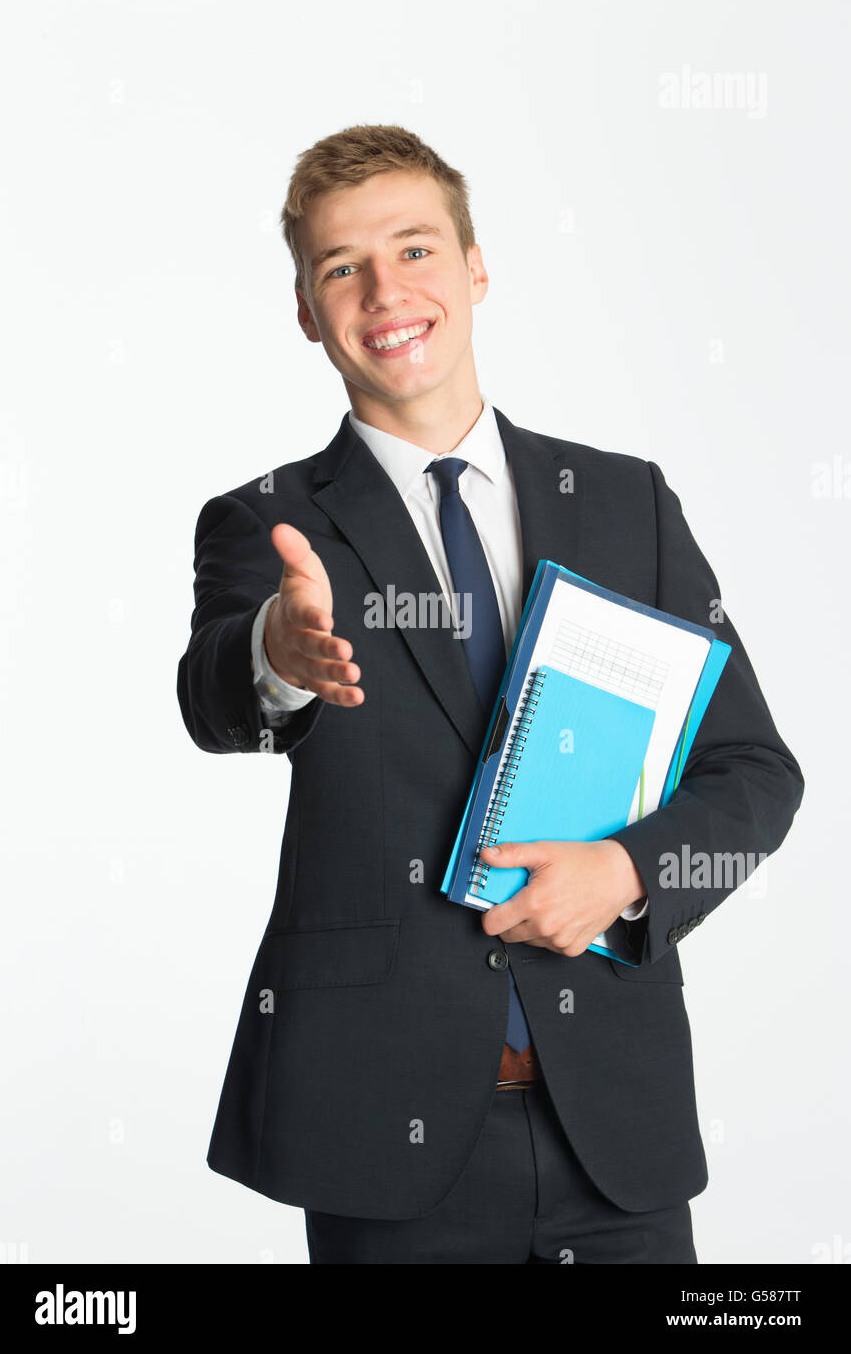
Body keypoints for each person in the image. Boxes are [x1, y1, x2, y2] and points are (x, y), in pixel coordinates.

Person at [177, 123, 804, 1264]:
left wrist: (627, 873)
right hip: (382, 1136)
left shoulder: (625, 503)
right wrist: (277, 650)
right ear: (307, 312)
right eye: (341, 268)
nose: (385, 291)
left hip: (614, 1129)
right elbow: (216, 696)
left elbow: (754, 772)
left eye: (415, 249)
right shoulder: (266, 520)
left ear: (475, 268)